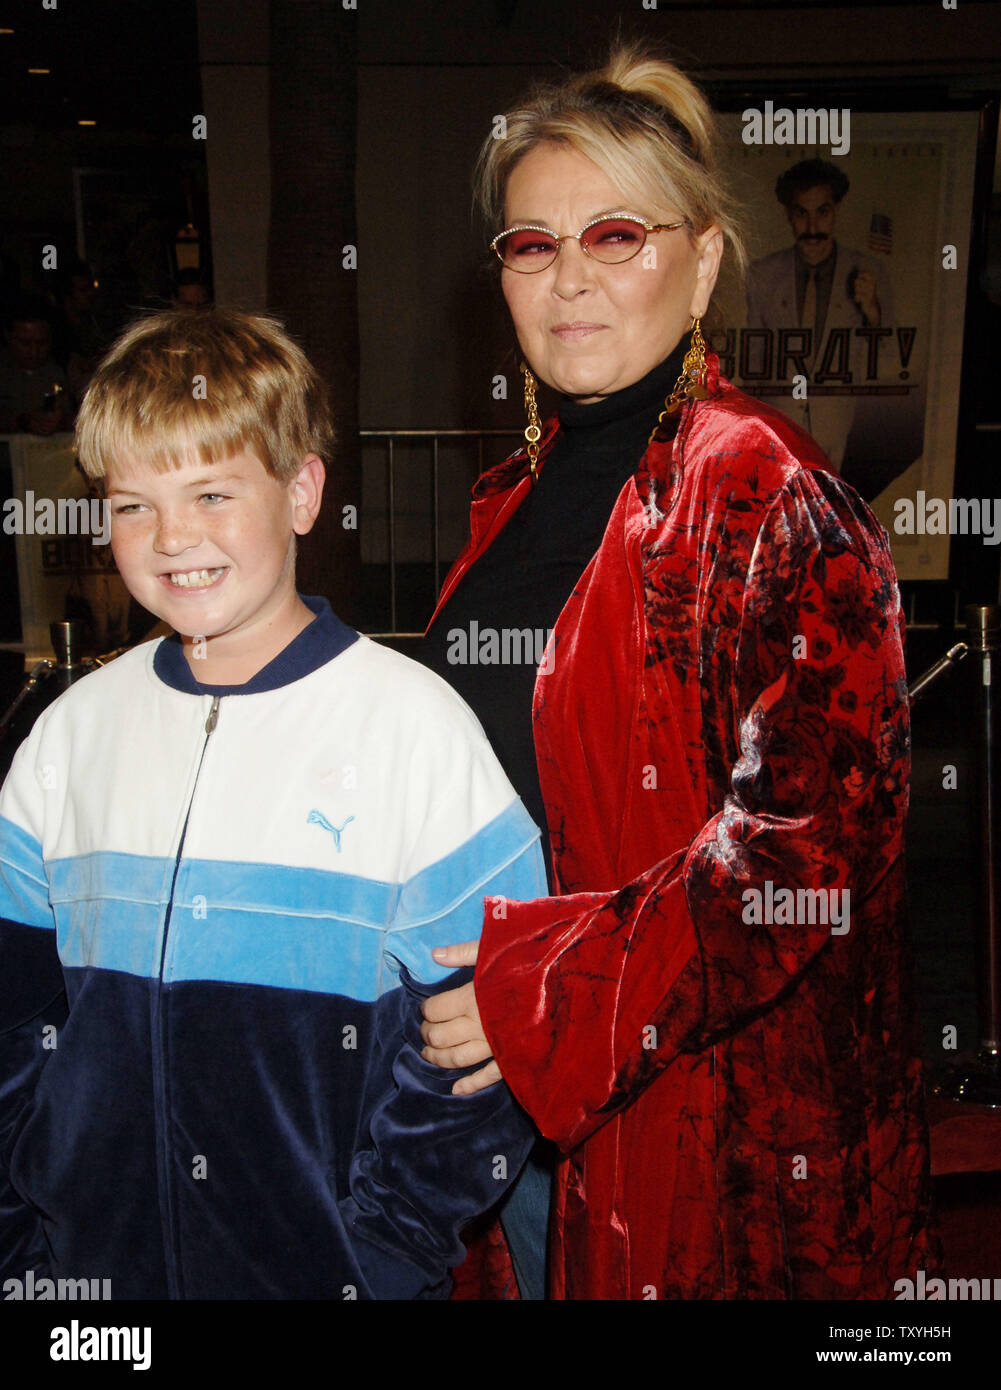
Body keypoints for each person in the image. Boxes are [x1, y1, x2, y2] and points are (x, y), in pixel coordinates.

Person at [418, 44, 934, 1299]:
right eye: (531, 245)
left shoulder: (768, 495)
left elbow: (799, 859)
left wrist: (539, 998)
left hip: (711, 1139)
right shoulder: (513, 501)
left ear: (701, 262)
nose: (567, 279)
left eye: (613, 235)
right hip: (510, 1113)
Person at [0, 308, 545, 1299]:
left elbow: (481, 1064)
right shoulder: (64, 743)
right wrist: (23, 1255)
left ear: (301, 492)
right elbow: (12, 1026)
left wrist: (375, 1257)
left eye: (211, 492)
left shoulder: (417, 732)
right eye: (131, 503)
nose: (171, 537)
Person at [745, 158, 895, 470]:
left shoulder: (868, 271)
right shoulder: (762, 275)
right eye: (802, 213)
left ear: (836, 211)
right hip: (777, 433)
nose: (812, 228)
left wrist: (873, 313)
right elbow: (754, 361)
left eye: (822, 212)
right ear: (789, 215)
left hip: (840, 431)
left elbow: (891, 355)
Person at [0, 296, 74, 436]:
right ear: (8, 336)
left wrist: (62, 421)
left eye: (42, 343)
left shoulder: (65, 369)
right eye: (25, 343)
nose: (34, 352)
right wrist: (22, 422)